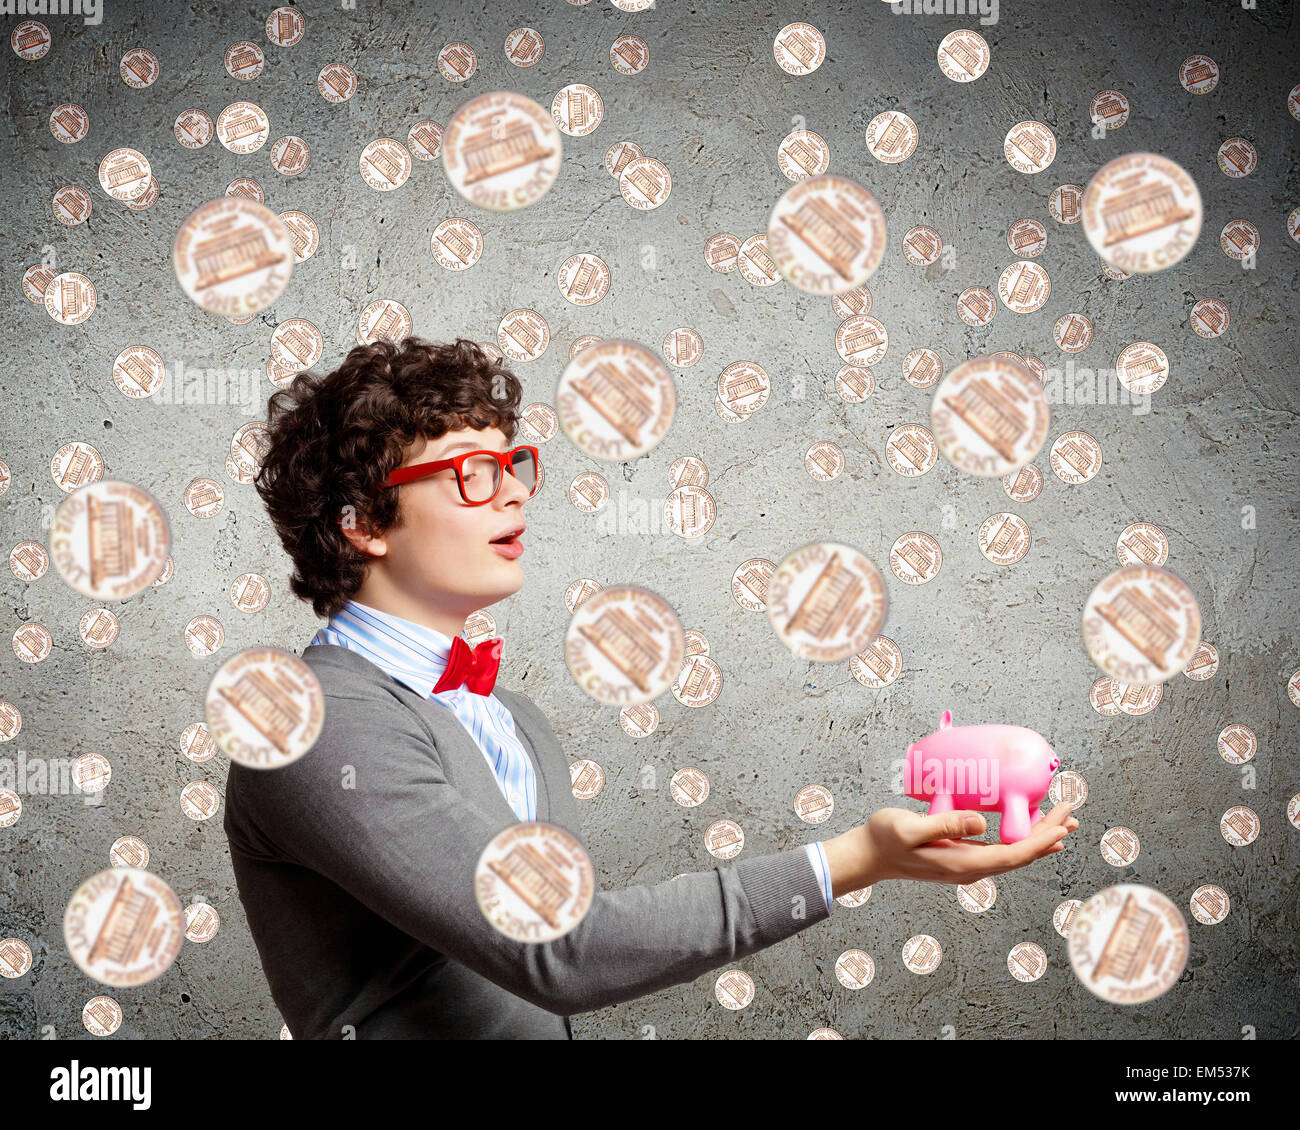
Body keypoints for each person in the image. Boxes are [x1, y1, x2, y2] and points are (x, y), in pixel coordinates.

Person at [222, 335, 1079, 1039]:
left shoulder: (511, 717)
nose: (513, 490)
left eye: (513, 463)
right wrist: (854, 861)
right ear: (365, 522)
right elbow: (565, 952)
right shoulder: (313, 723)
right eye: (469, 472)